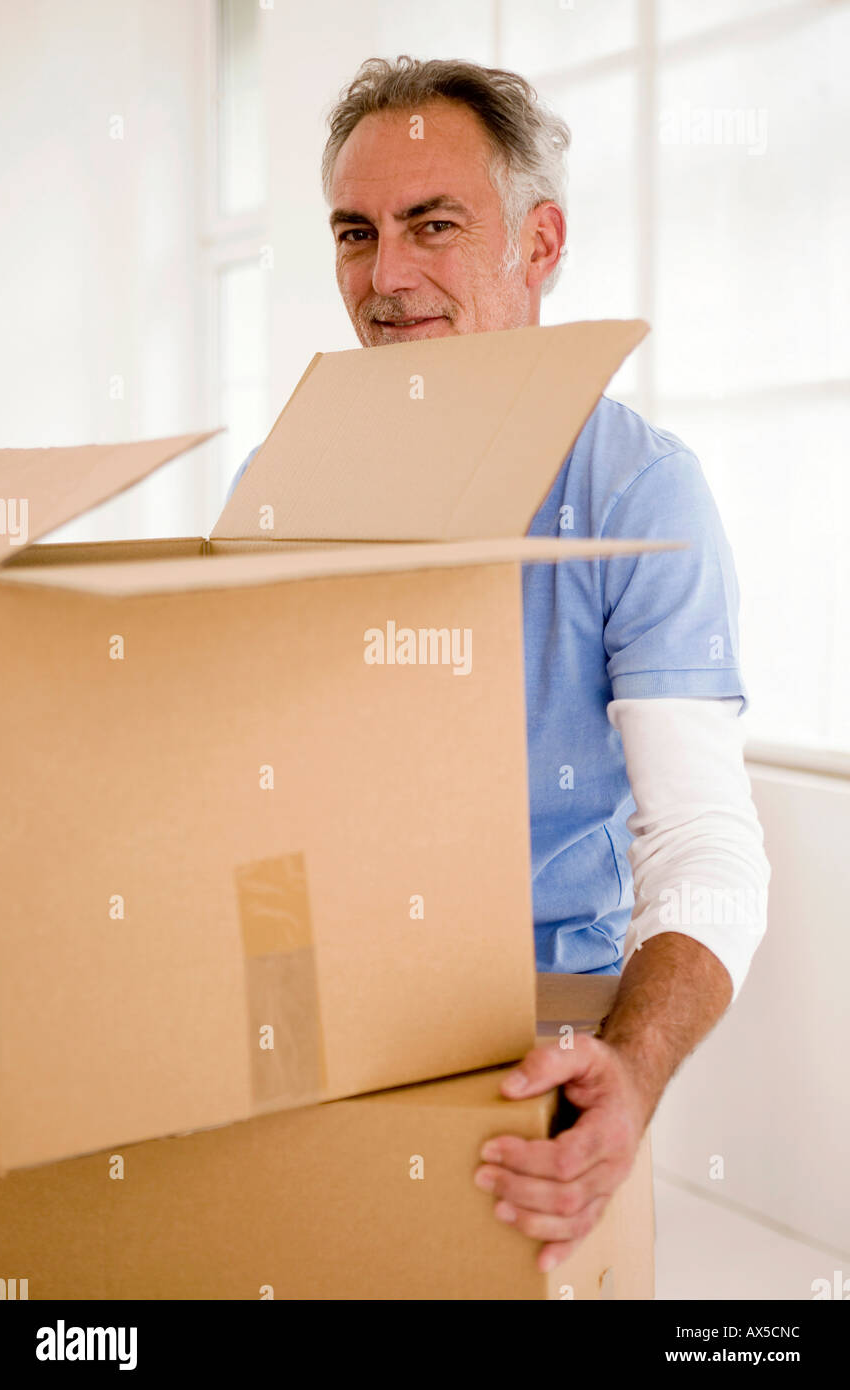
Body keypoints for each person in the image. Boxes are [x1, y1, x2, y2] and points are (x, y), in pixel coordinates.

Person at [227, 56, 771, 1276]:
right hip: (315, 1012)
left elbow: (704, 840)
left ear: (540, 244)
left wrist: (629, 1068)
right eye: (356, 232)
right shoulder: (286, 479)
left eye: (435, 225)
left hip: (539, 1020)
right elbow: (232, 796)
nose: (386, 277)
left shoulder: (638, 487)